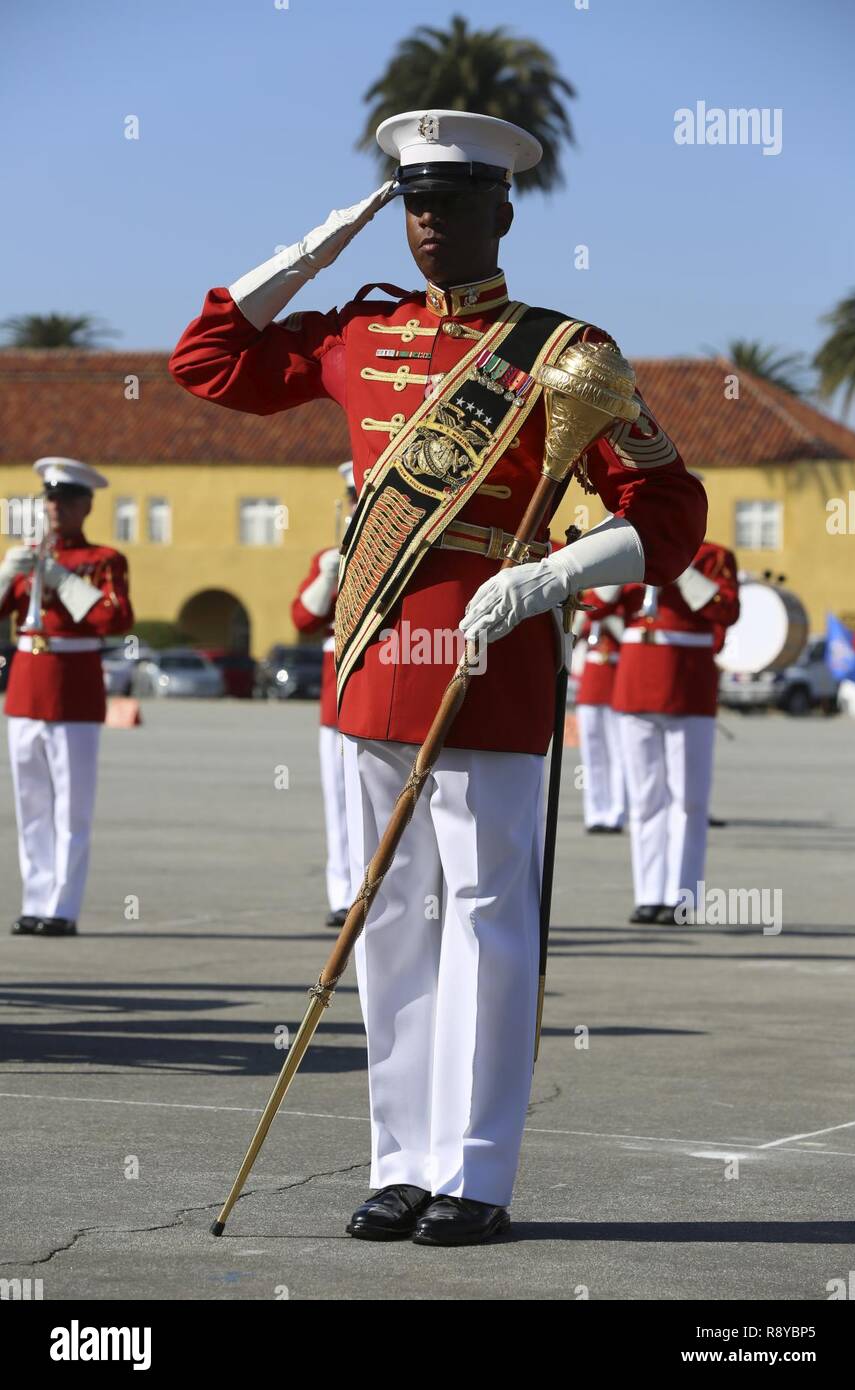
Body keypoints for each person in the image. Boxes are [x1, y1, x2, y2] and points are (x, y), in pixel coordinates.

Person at [170, 109, 706, 1244]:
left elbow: (666, 511)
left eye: (452, 204)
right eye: (410, 204)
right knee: (391, 924)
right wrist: (319, 243)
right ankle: (402, 1161)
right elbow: (205, 360)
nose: (427, 225)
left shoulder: (564, 351)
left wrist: (553, 574)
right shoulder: (356, 337)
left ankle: (477, 1170)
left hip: (490, 656)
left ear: (502, 211)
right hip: (373, 655)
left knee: (487, 918)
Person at [0, 458, 134, 936]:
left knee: (71, 808)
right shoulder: (26, 554)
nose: (57, 507)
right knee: (31, 806)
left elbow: (113, 619)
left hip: (73, 690)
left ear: (86, 506)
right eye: (51, 499)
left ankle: (62, 907)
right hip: (24, 691)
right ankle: (35, 899)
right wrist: (5, 574)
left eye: (67, 499)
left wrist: (59, 578)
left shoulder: (103, 559)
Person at [594, 540, 739, 925]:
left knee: (689, 799)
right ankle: (648, 894)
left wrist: (678, 566)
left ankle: (682, 896)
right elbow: (596, 604)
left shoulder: (713, 556)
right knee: (644, 798)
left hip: (687, 684)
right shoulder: (628, 551)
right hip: (635, 681)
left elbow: (727, 610)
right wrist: (618, 558)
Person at [291, 461, 356, 927]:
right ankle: (341, 894)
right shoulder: (327, 557)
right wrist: (326, 578)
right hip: (338, 694)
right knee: (338, 802)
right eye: (352, 499)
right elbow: (302, 620)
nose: (357, 507)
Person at [574, 592, 626, 833]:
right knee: (592, 754)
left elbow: (628, 634)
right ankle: (595, 813)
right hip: (591, 682)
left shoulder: (625, 598)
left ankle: (617, 812)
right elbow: (574, 632)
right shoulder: (591, 596)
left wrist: (610, 618)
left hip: (617, 676)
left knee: (618, 753)